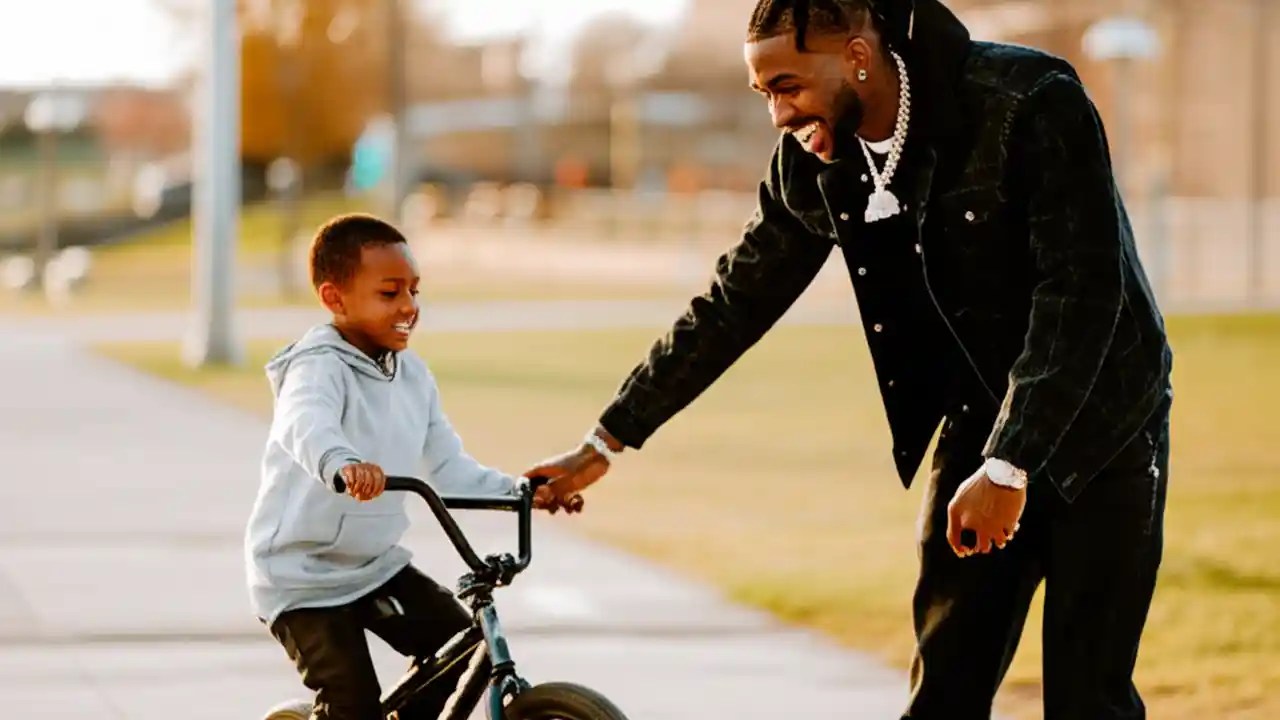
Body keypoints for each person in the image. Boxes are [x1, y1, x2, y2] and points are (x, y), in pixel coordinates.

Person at [524, 1, 1174, 718]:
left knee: (1089, 698)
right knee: (943, 692)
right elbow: (735, 301)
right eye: (765, 92)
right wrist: (607, 437)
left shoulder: (1029, 101)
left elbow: (1081, 292)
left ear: (858, 56)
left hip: (1104, 420)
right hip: (978, 417)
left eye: (788, 86)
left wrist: (1009, 464)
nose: (777, 114)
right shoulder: (812, 162)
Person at [243, 213, 555, 719]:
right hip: (300, 577)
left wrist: (523, 492)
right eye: (390, 294)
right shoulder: (316, 366)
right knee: (352, 702)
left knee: (461, 648)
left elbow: (451, 468)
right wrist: (342, 465)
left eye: (414, 290)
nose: (409, 306)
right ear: (334, 298)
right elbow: (305, 422)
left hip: (373, 566)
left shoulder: (413, 376)